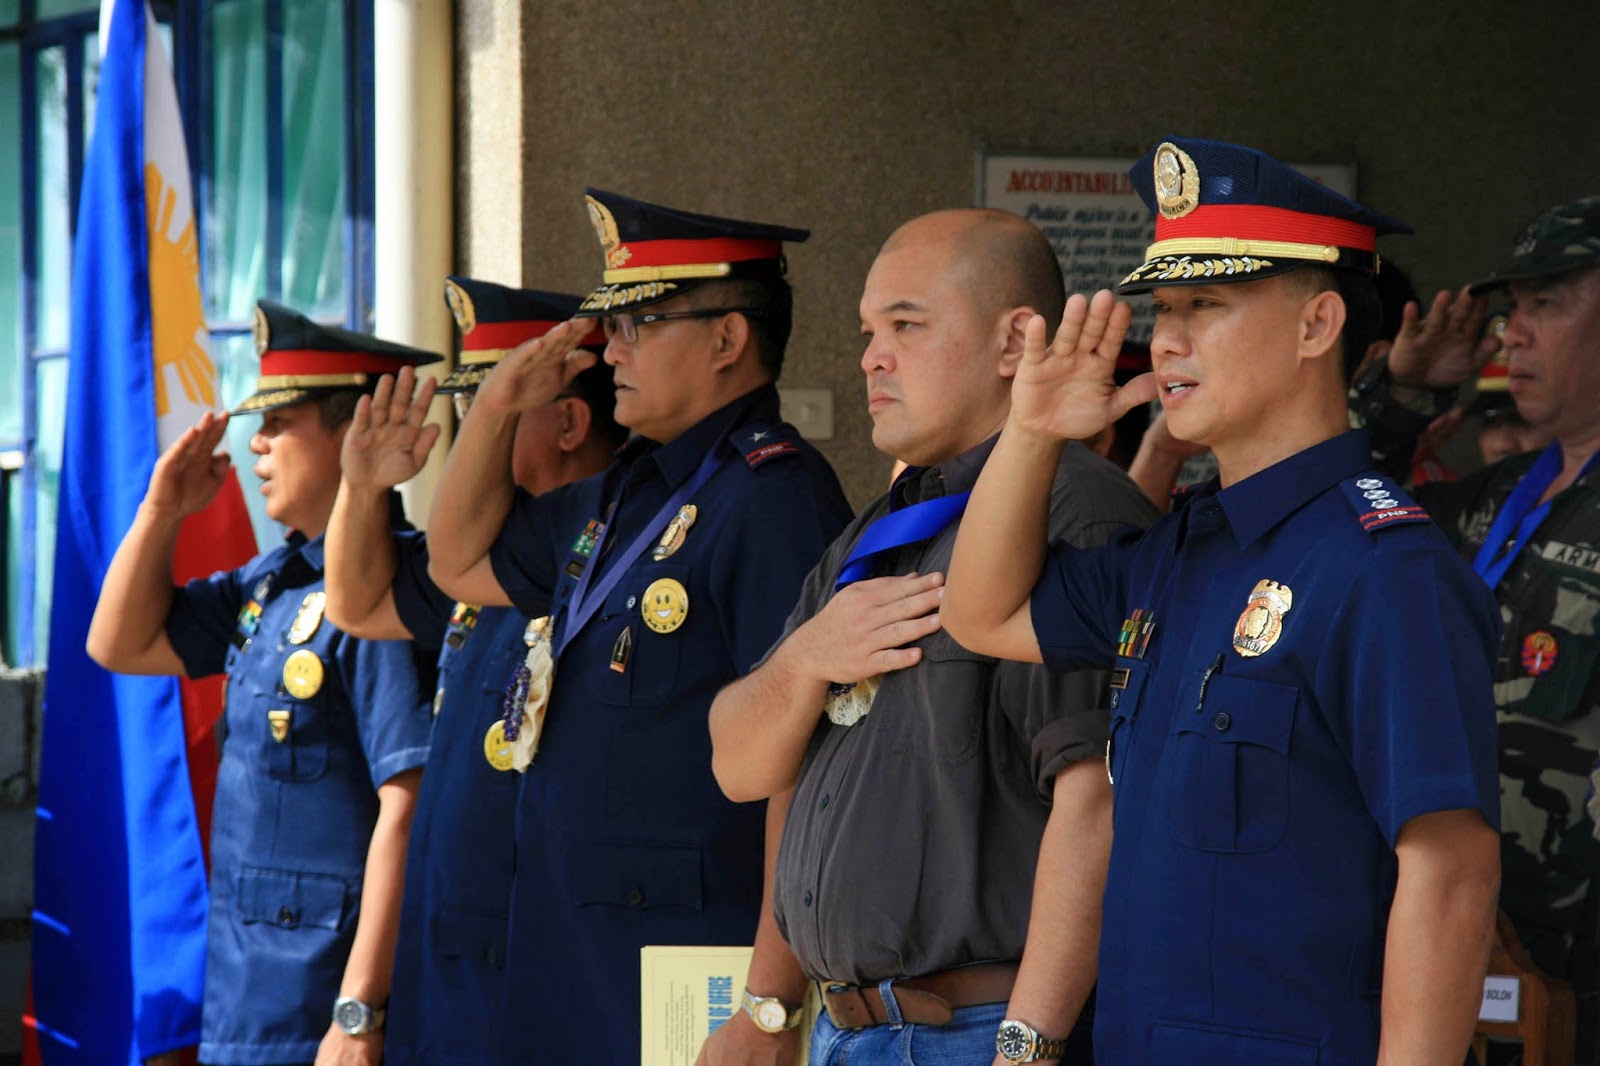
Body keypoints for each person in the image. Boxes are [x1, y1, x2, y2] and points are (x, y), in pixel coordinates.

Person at [940, 136, 1503, 1066]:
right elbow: (982, 614)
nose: (1167, 338)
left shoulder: (1384, 567)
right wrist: (1032, 433)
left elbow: (1450, 873)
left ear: (1317, 325)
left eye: (1207, 304)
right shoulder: (1180, 549)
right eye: (1162, 307)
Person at [706, 208, 1156, 1066]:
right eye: (870, 331)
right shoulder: (882, 527)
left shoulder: (1076, 511)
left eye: (906, 326)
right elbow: (747, 765)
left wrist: (1030, 1047)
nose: (873, 355)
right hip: (849, 1030)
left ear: (1015, 341)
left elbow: (1093, 798)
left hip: (978, 1031)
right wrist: (805, 659)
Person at [424, 190, 854, 1065]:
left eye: (639, 323)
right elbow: (457, 559)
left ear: (728, 339)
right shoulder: (626, 492)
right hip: (573, 944)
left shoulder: (772, 495)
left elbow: (804, 758)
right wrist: (499, 406)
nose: (610, 348)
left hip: (689, 957)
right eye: (611, 325)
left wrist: (770, 1002)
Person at [85, 301, 440, 1065]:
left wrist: (359, 1012)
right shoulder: (272, 585)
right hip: (251, 1000)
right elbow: (119, 641)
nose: (257, 445)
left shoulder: (381, 599)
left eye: (281, 423)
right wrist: (160, 510)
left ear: (354, 433)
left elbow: (405, 808)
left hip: (322, 1007)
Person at [322, 278, 621, 1066]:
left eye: (494, 405)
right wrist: (362, 488)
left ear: (569, 419)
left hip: (544, 972)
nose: (468, 432)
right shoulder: (492, 547)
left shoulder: (617, 543)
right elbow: (359, 605)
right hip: (450, 971)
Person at [1349, 196, 1600, 1063]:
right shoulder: (1503, 494)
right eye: (1511, 310)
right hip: (1469, 951)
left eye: (1549, 305)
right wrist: (1403, 399)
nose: (1511, 336)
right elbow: (1343, 523)